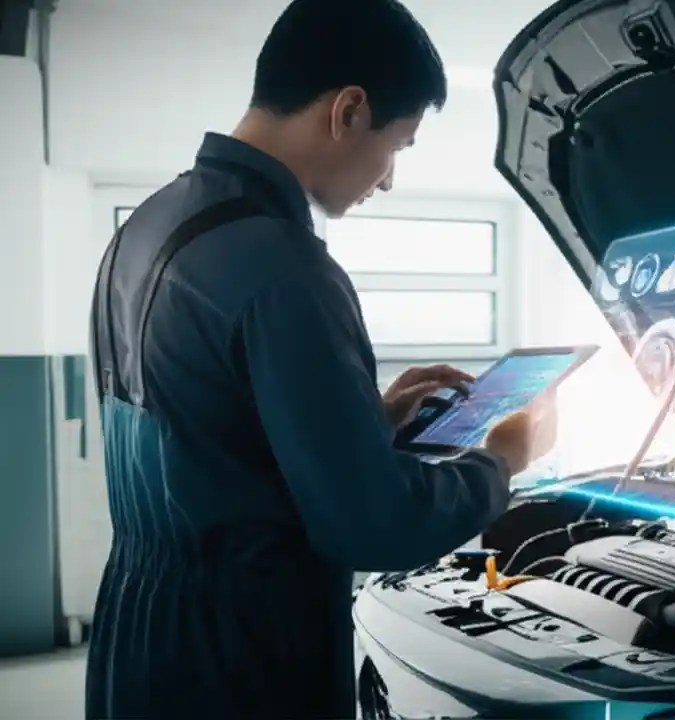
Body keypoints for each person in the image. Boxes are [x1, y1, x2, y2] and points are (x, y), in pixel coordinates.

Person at [84, 1, 554, 717]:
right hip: (242, 659)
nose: (389, 176)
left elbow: (207, 440)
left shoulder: (148, 226)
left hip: (139, 637)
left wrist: (364, 420)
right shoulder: (286, 265)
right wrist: (501, 461)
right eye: (399, 144)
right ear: (350, 111)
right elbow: (371, 523)